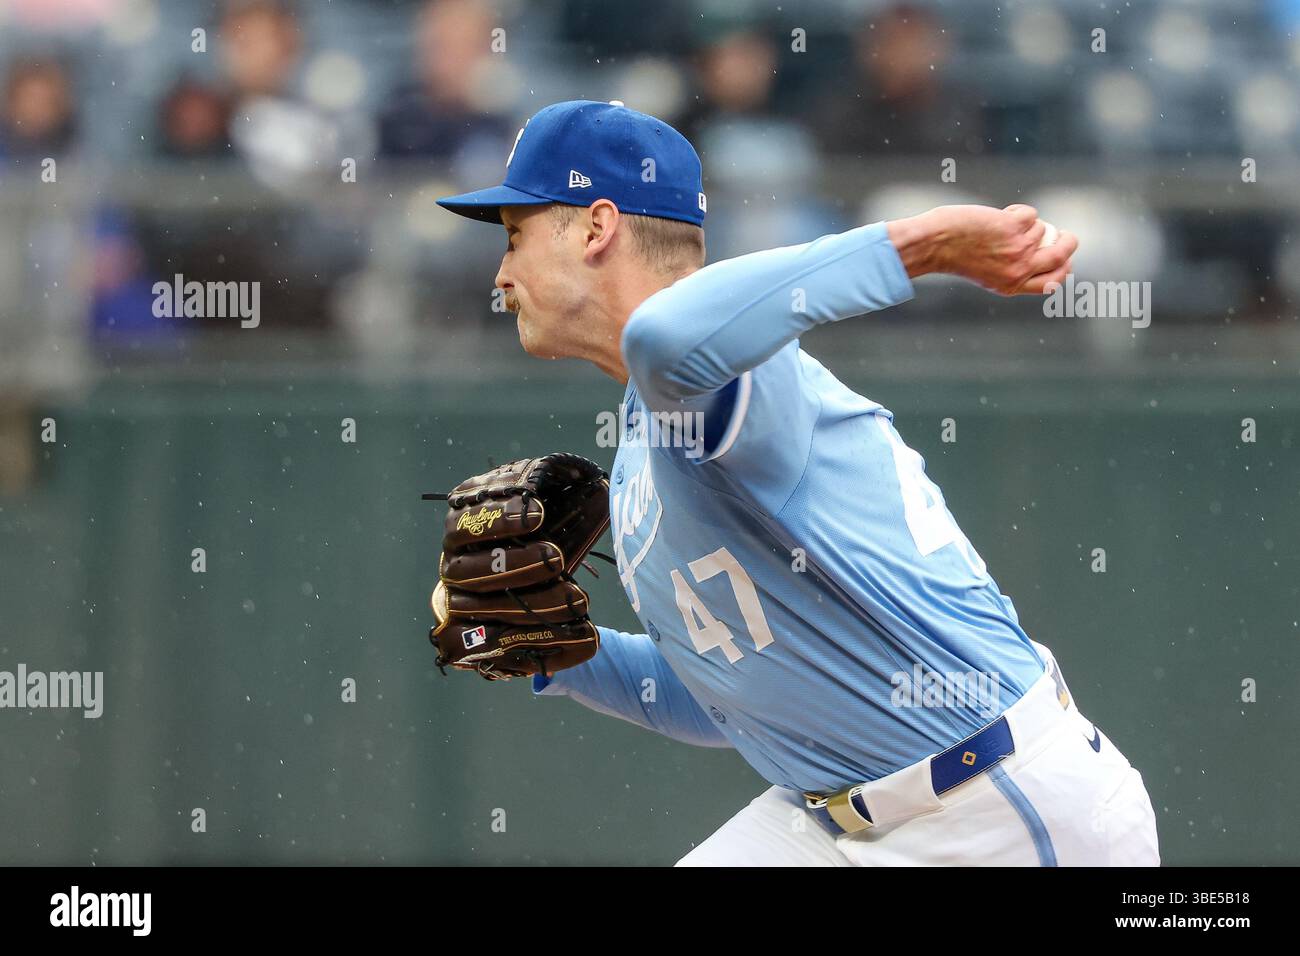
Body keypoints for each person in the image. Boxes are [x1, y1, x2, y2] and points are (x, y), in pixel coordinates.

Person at [435, 100, 1159, 866]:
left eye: (515, 235)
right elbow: (732, 698)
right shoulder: (646, 440)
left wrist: (922, 245)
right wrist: (557, 654)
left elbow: (665, 334)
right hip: (834, 817)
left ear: (596, 227)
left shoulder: (728, 376)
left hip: (994, 804)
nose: (501, 272)